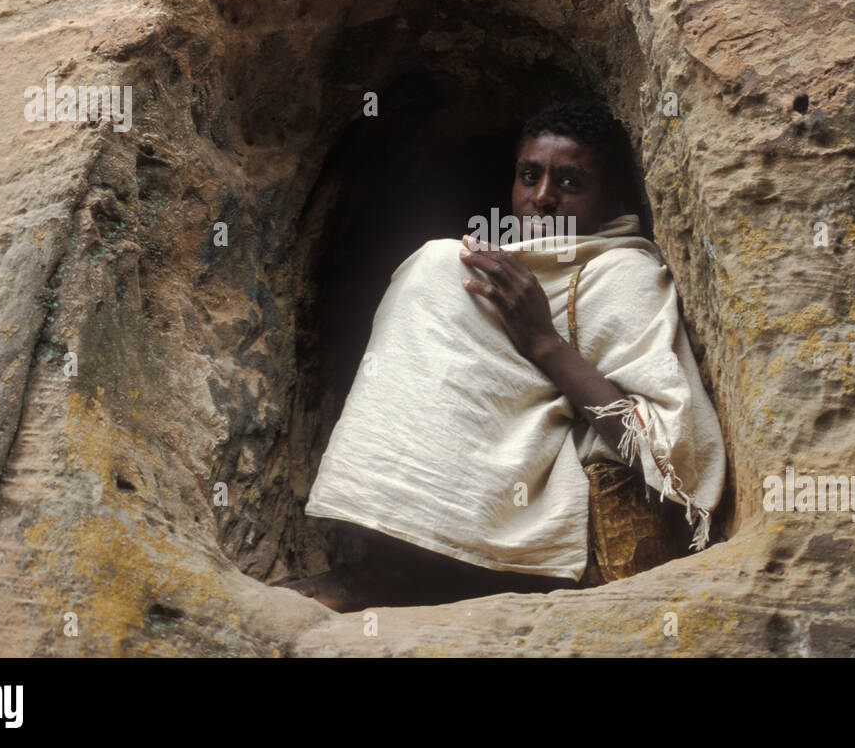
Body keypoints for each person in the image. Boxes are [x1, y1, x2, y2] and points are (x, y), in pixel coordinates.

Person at [288, 98, 726, 611]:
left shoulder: (622, 274)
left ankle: (411, 576)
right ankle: (398, 562)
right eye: (528, 175)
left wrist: (543, 341)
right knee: (434, 264)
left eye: (569, 182)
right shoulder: (493, 267)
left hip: (561, 533)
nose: (542, 198)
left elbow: (660, 450)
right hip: (480, 518)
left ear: (612, 197)